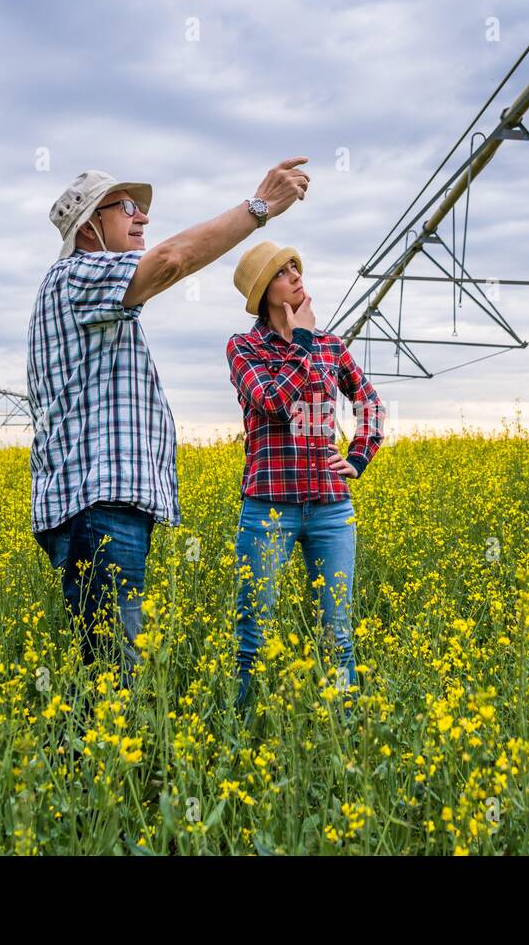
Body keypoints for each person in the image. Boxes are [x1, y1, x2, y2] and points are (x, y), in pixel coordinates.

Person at [28, 160, 310, 686]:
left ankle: (96, 762)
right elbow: (171, 260)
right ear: (89, 225)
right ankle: (93, 766)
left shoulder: (92, 303)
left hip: (103, 507)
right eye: (129, 208)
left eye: (145, 210)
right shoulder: (76, 277)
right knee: (113, 677)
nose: (143, 220)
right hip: (98, 506)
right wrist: (260, 208)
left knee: (109, 673)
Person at [225, 241, 386, 715]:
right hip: (268, 507)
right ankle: (243, 730)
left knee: (337, 634)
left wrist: (357, 458)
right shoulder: (243, 348)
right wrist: (302, 343)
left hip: (331, 508)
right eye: (282, 271)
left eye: (297, 267)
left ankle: (344, 729)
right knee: (253, 632)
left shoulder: (332, 347)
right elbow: (272, 400)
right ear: (263, 290)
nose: (296, 275)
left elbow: (370, 403)